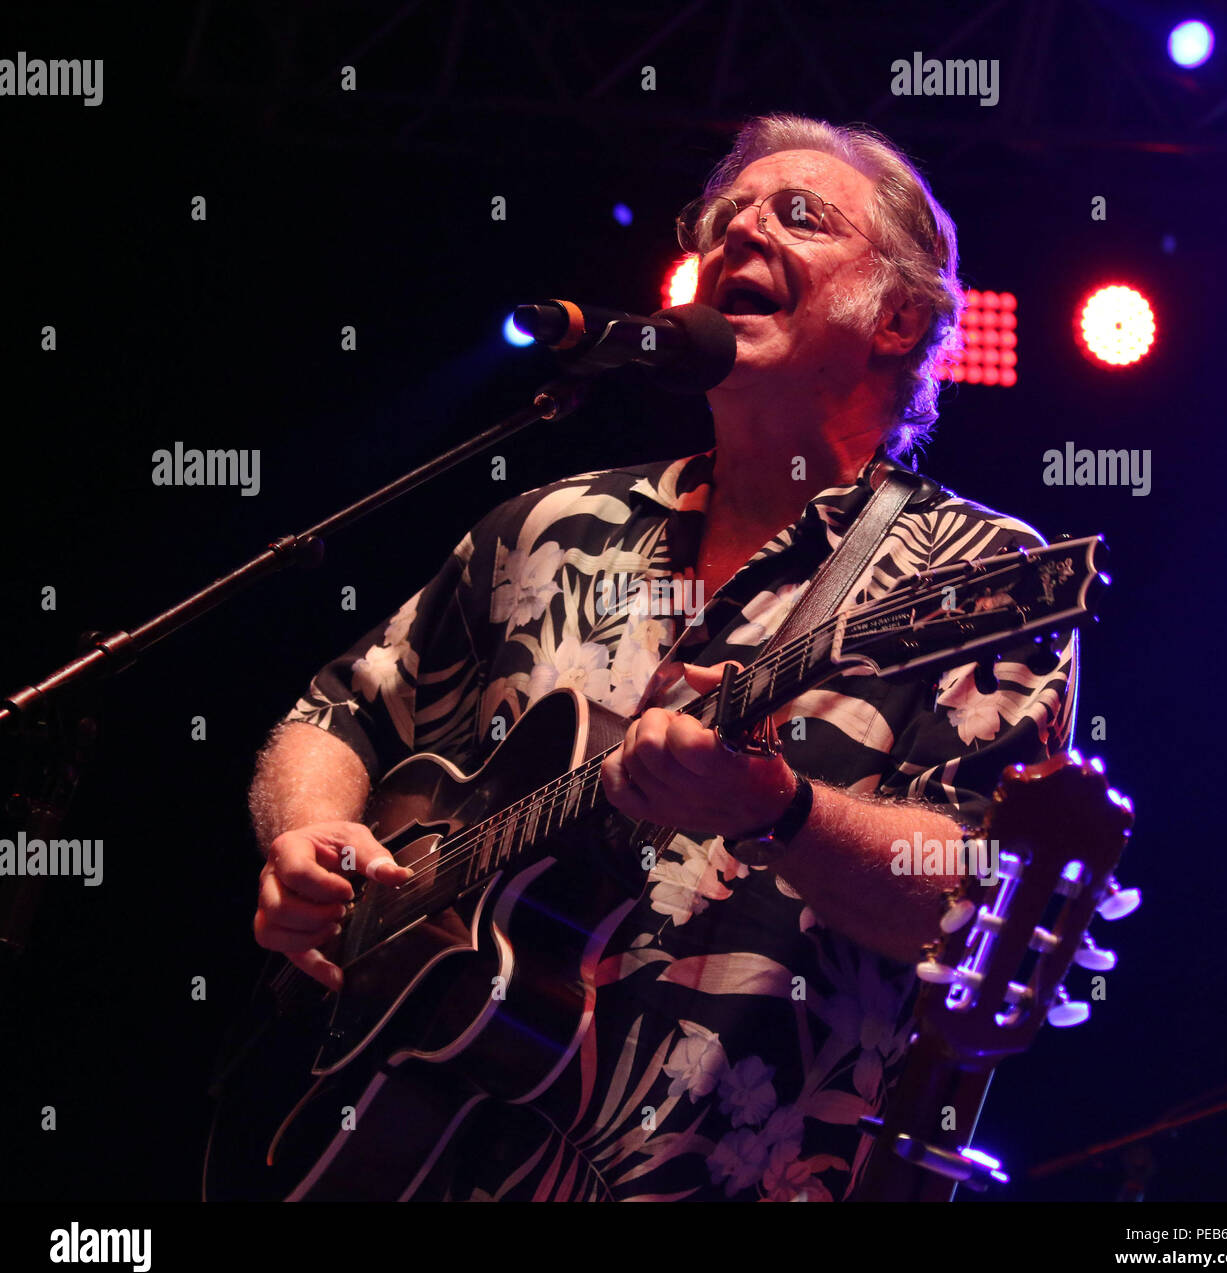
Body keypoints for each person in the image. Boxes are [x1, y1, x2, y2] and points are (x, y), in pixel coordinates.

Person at [247, 114, 1077, 1201]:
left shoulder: (976, 568)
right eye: (722, 221)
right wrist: (307, 831)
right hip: (428, 1155)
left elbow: (977, 904)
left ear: (900, 317)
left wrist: (781, 811)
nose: (739, 237)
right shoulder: (550, 523)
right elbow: (334, 712)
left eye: (797, 216)